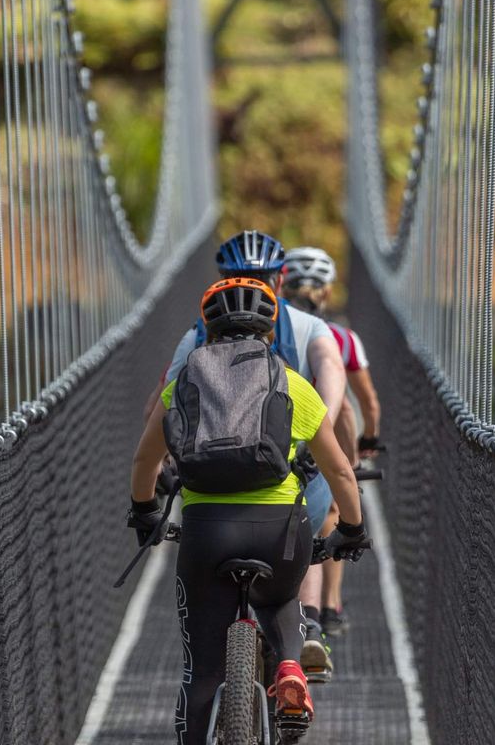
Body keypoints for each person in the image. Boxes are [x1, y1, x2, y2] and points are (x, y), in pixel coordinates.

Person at [128, 277, 370, 744]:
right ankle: (290, 668)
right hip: (279, 534)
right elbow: (340, 469)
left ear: (208, 329)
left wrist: (144, 510)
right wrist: (353, 530)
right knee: (282, 599)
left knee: (200, 674)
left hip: (206, 536)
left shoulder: (182, 383)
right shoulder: (293, 384)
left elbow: (145, 460)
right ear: (269, 331)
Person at [141, 231, 347, 673]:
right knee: (306, 531)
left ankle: (212, 687)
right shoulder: (312, 333)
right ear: (281, 279)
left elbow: (156, 410)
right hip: (289, 485)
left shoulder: (194, 337)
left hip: (207, 502)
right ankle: (306, 634)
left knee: (203, 644)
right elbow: (332, 385)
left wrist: (154, 478)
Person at [282, 246, 383, 636]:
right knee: (333, 518)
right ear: (325, 291)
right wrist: (365, 443)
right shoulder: (341, 338)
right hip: (324, 449)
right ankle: (329, 609)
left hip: (270, 446)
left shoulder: (271, 328)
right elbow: (362, 405)